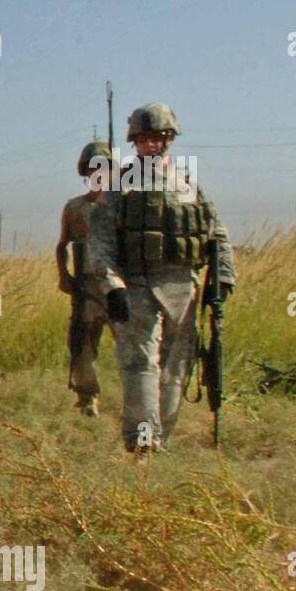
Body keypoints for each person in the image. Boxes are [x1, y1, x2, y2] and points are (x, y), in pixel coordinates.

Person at [87, 103, 235, 452]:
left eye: (161, 138)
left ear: (170, 139)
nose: (154, 145)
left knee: (176, 367)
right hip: (136, 287)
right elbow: (100, 241)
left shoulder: (188, 185)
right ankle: (143, 445)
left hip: (183, 287)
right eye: (146, 138)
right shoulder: (119, 187)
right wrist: (112, 287)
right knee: (140, 366)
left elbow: (217, 233)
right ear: (134, 141)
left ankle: (161, 439)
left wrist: (223, 277)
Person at [56, 141, 112, 417]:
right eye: (93, 169)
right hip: (87, 284)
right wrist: (63, 274)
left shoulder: (123, 205)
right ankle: (88, 397)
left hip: (121, 286)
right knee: (81, 344)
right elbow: (62, 244)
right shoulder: (75, 207)